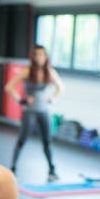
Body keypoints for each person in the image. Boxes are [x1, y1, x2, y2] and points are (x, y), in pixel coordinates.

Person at [5, 45, 63, 181]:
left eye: (42, 55)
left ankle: (52, 170)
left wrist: (52, 99)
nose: (39, 57)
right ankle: (12, 168)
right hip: (30, 111)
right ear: (33, 57)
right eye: (37, 55)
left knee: (47, 141)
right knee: (22, 139)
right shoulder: (27, 71)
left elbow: (60, 87)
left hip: (44, 110)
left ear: (46, 57)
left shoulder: (49, 72)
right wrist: (22, 100)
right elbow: (9, 87)